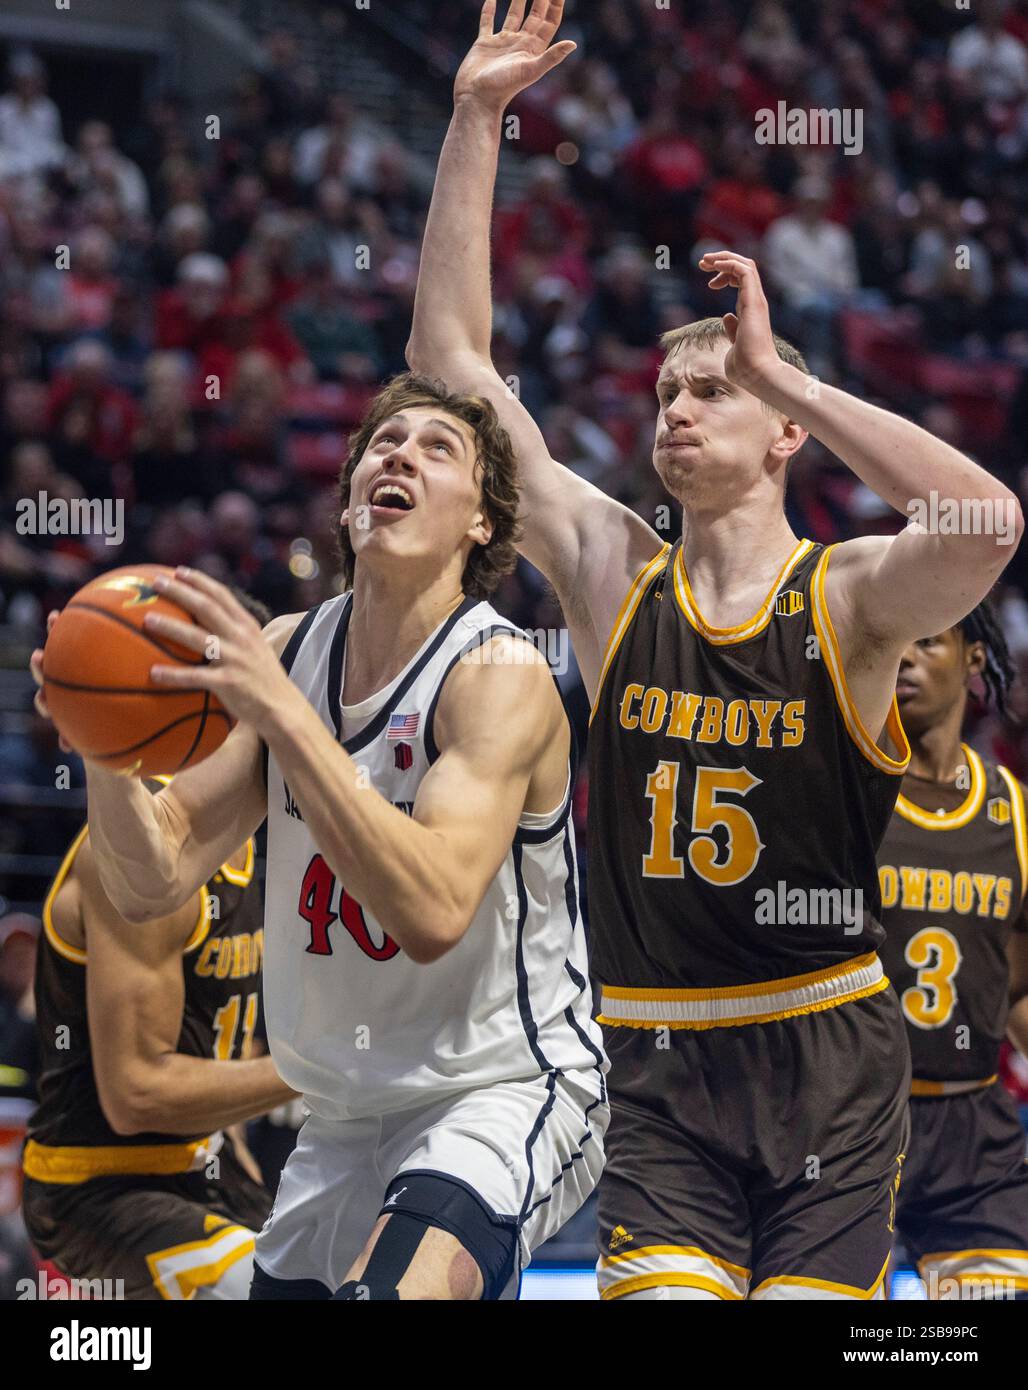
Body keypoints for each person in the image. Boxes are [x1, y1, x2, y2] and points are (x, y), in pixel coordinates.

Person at [406, 0, 1023, 1300]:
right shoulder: (612, 566)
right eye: (665, 395)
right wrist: (475, 119)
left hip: (832, 1061)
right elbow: (452, 357)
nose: (677, 410)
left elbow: (986, 522)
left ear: (784, 433)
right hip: (662, 1060)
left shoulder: (848, 595)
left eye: (711, 392)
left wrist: (786, 372)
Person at [31, 372, 607, 1301]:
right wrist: (106, 748)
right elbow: (153, 875)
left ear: (482, 525)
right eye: (385, 443)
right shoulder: (296, 649)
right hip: (343, 1113)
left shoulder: (498, 673)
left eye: (437, 448)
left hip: (500, 1087)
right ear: (347, 504)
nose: (400, 454)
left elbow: (431, 909)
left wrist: (280, 714)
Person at [21, 765, 289, 1300]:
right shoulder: (130, 855)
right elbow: (137, 1093)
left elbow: (220, 1055)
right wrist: (320, 1066)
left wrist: (241, 1162)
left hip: (211, 1169)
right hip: (101, 1189)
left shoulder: (255, 844)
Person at [878, 601, 1028, 1299]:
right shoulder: (844, 791)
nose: (904, 657)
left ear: (974, 659)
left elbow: (1012, 987)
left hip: (974, 1126)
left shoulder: (1015, 811)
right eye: (894, 644)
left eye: (927, 642)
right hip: (851, 1121)